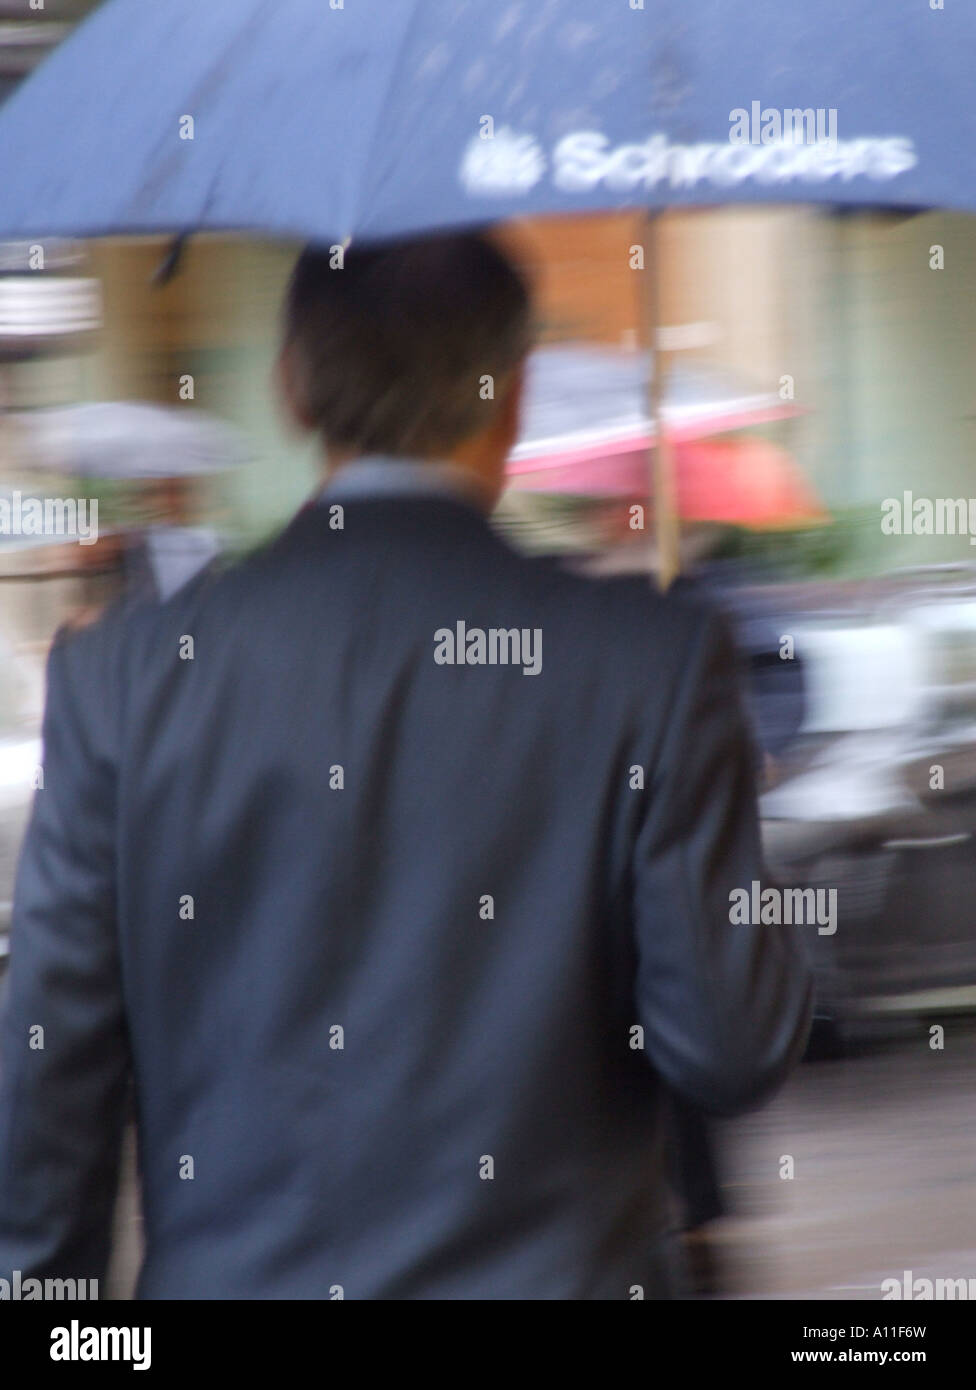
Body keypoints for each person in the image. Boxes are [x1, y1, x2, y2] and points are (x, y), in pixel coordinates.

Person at [0, 231, 811, 1300]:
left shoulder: (125, 678)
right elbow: (728, 1046)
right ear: (513, 399)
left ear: (290, 387)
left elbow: (48, 1090)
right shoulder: (647, 663)